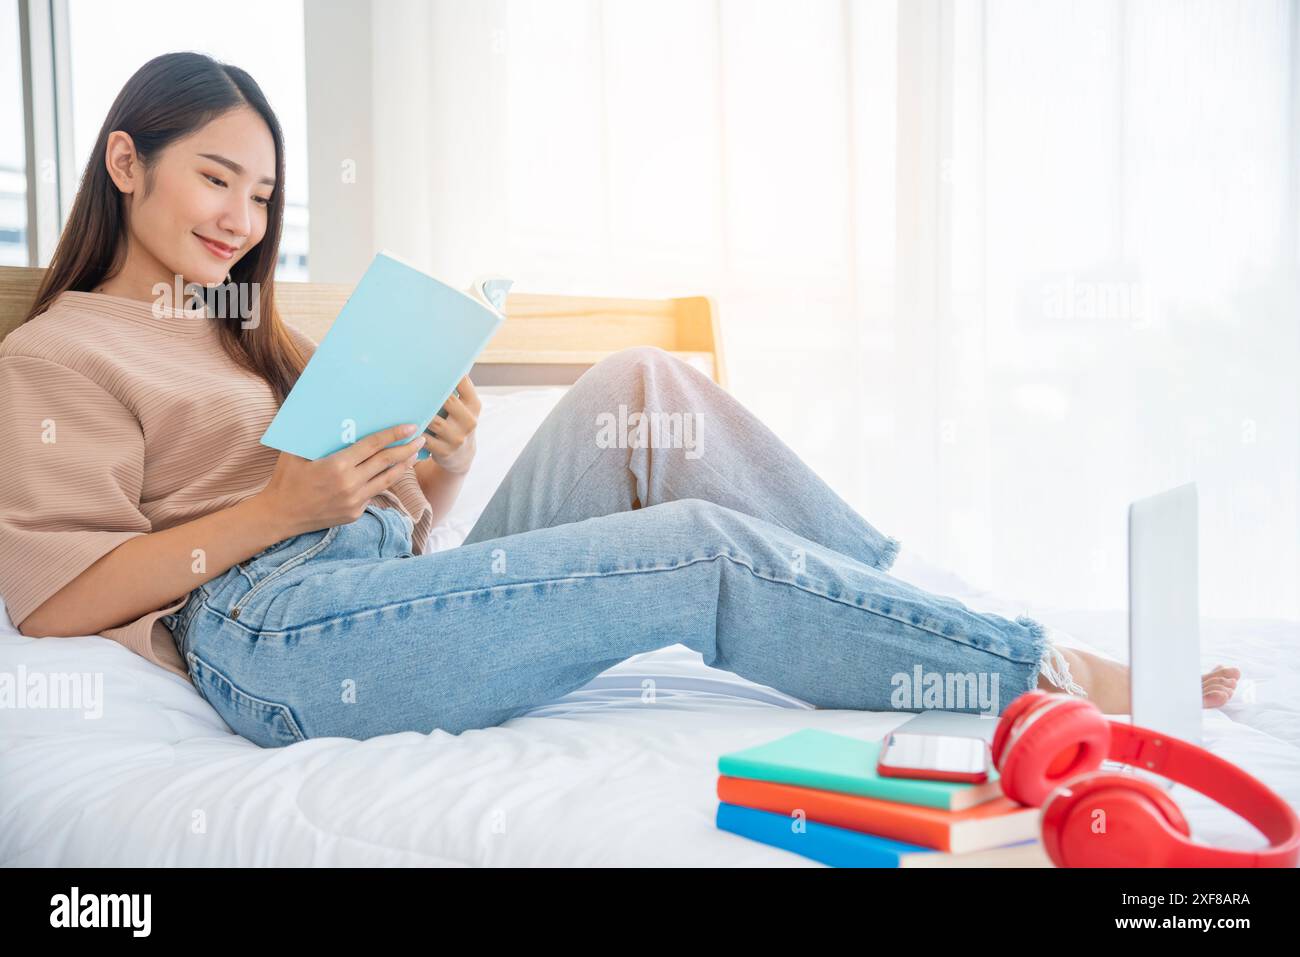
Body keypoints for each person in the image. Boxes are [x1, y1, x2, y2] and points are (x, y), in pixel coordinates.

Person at [0, 53, 1239, 748]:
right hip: (267, 636)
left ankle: (920, 607)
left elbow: (388, 541)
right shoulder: (55, 355)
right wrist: (278, 509)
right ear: (126, 161)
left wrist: (437, 463)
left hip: (355, 582)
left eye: (264, 195)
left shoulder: (251, 338)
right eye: (217, 179)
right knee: (695, 554)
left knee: (642, 385)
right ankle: (1031, 667)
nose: (241, 217)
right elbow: (55, 600)